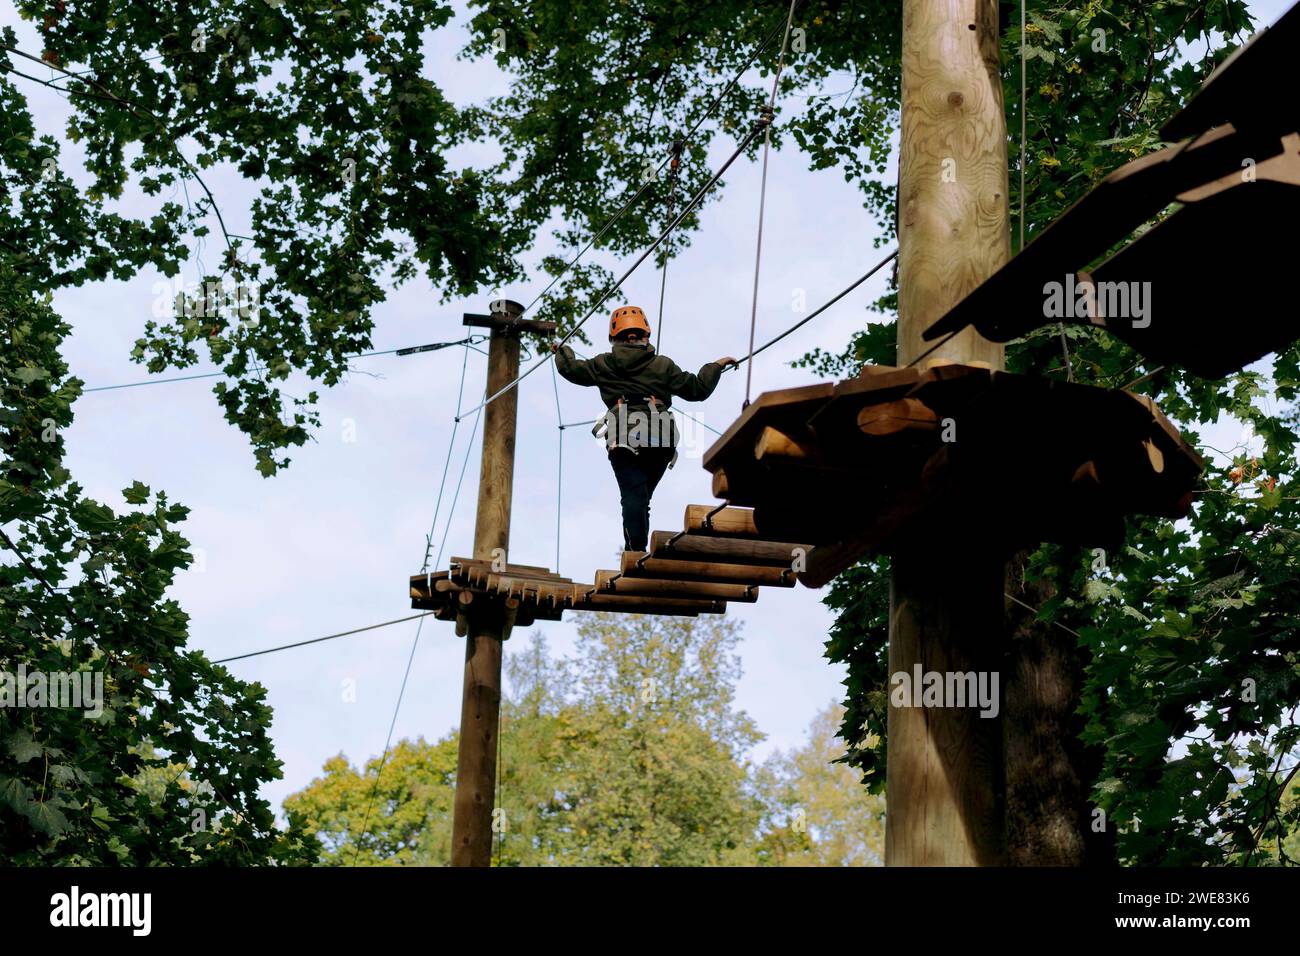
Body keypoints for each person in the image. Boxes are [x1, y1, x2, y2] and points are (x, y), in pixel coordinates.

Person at [552, 305, 737, 553]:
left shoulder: (602, 364)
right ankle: (635, 548)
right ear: (645, 336)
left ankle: (635, 550)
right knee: (640, 498)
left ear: (613, 338)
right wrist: (716, 365)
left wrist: (562, 350)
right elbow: (697, 389)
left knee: (634, 496)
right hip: (660, 441)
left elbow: (571, 369)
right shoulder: (662, 365)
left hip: (624, 439)